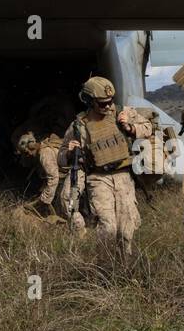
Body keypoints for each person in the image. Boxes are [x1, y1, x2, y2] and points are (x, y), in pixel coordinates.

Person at [60, 77, 152, 254]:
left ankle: (125, 268)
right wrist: (69, 153)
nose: (108, 106)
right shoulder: (79, 126)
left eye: (110, 102)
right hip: (98, 179)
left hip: (124, 177)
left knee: (127, 230)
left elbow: (148, 128)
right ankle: (104, 265)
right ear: (89, 101)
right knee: (108, 228)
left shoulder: (122, 113)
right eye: (102, 104)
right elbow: (61, 158)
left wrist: (130, 128)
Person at [17, 130, 86, 230]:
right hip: (72, 171)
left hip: (77, 170)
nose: (29, 156)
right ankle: (71, 226)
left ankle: (80, 229)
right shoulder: (45, 147)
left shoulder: (44, 155)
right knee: (61, 201)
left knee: (67, 198)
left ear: (30, 149)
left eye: (27, 153)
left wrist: (44, 200)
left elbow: (53, 179)